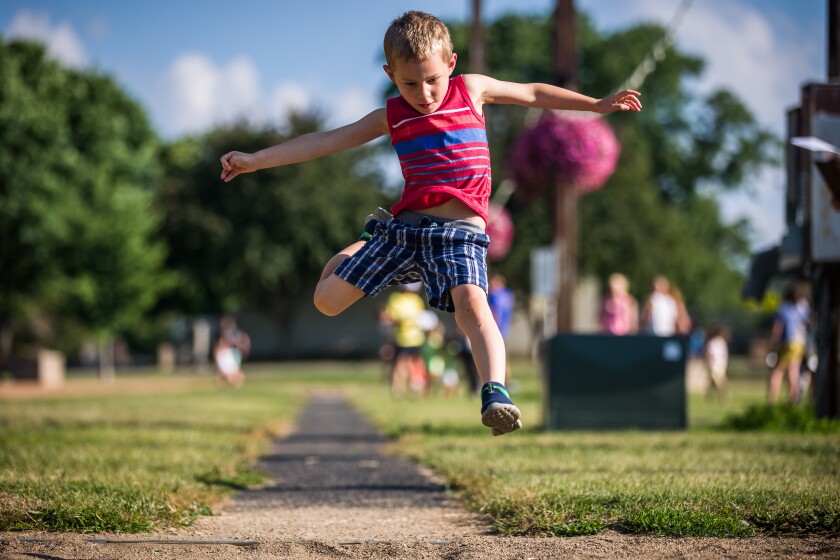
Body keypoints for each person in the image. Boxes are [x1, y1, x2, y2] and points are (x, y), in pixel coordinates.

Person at [219, 11, 642, 435]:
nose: (423, 93)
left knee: (472, 308)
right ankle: (368, 239)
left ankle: (495, 391)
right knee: (325, 300)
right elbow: (325, 140)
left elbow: (532, 92)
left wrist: (595, 105)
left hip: (461, 235)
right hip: (406, 230)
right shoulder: (392, 116)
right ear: (391, 74)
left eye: (432, 79)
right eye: (409, 83)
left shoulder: (471, 89)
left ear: (451, 64)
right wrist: (256, 160)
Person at [768, 283, 811, 404]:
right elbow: (809, 322)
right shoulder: (803, 307)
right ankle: (793, 400)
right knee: (794, 370)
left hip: (786, 342)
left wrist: (773, 344)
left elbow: (777, 328)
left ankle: (772, 400)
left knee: (778, 371)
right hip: (799, 342)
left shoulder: (784, 308)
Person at [487, 274, 515, 381]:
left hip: (497, 329)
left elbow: (495, 313)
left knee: (495, 358)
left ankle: (500, 381)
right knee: (504, 358)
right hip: (505, 329)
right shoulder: (509, 295)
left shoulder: (494, 296)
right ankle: (506, 382)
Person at [213, 315, 251, 388]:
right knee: (229, 373)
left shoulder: (234, 334)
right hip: (225, 354)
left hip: (229, 353)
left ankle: (228, 379)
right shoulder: (225, 336)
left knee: (233, 373)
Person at [704, 325, 729, 399]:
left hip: (718, 365)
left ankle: (723, 395)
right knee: (714, 381)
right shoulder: (714, 343)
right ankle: (712, 396)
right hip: (715, 365)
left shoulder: (719, 342)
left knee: (718, 381)